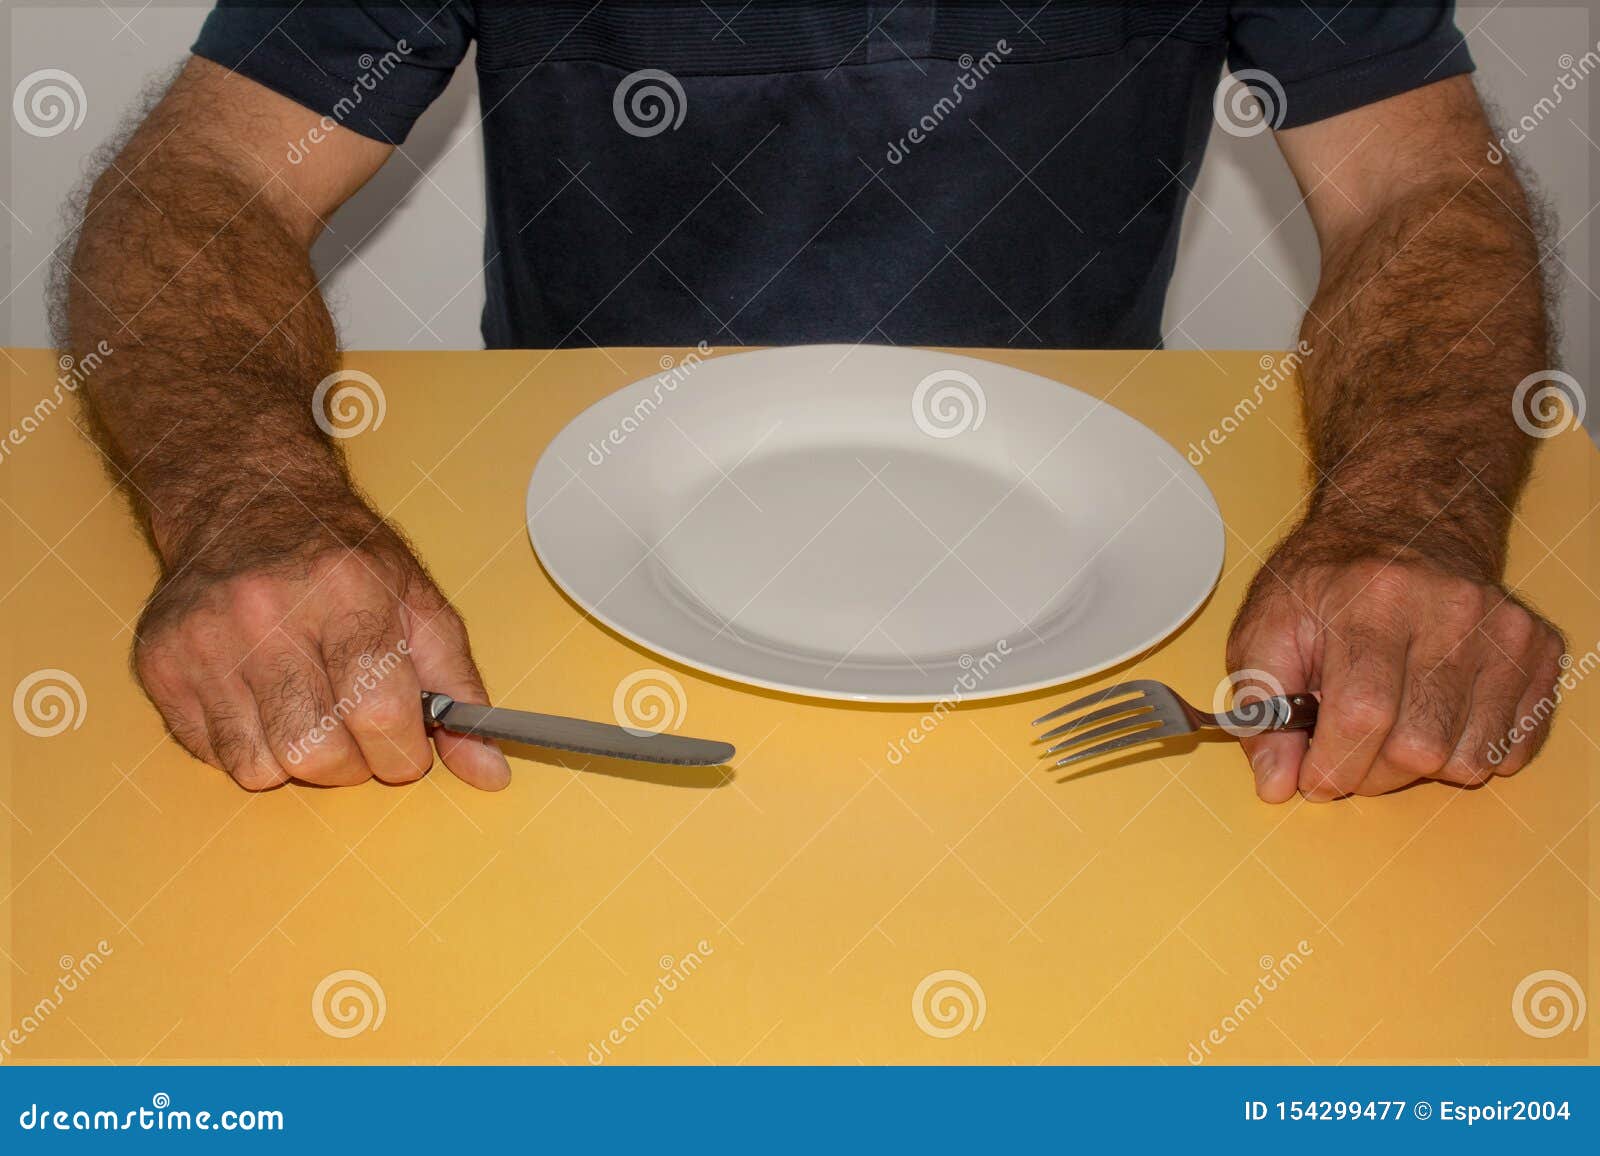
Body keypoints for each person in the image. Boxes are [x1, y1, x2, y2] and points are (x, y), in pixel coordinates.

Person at [56, 1, 1566, 801]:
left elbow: (1417, 187)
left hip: (1098, 636)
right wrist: (252, 504)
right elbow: (205, 179)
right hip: (530, 634)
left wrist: (1410, 513)